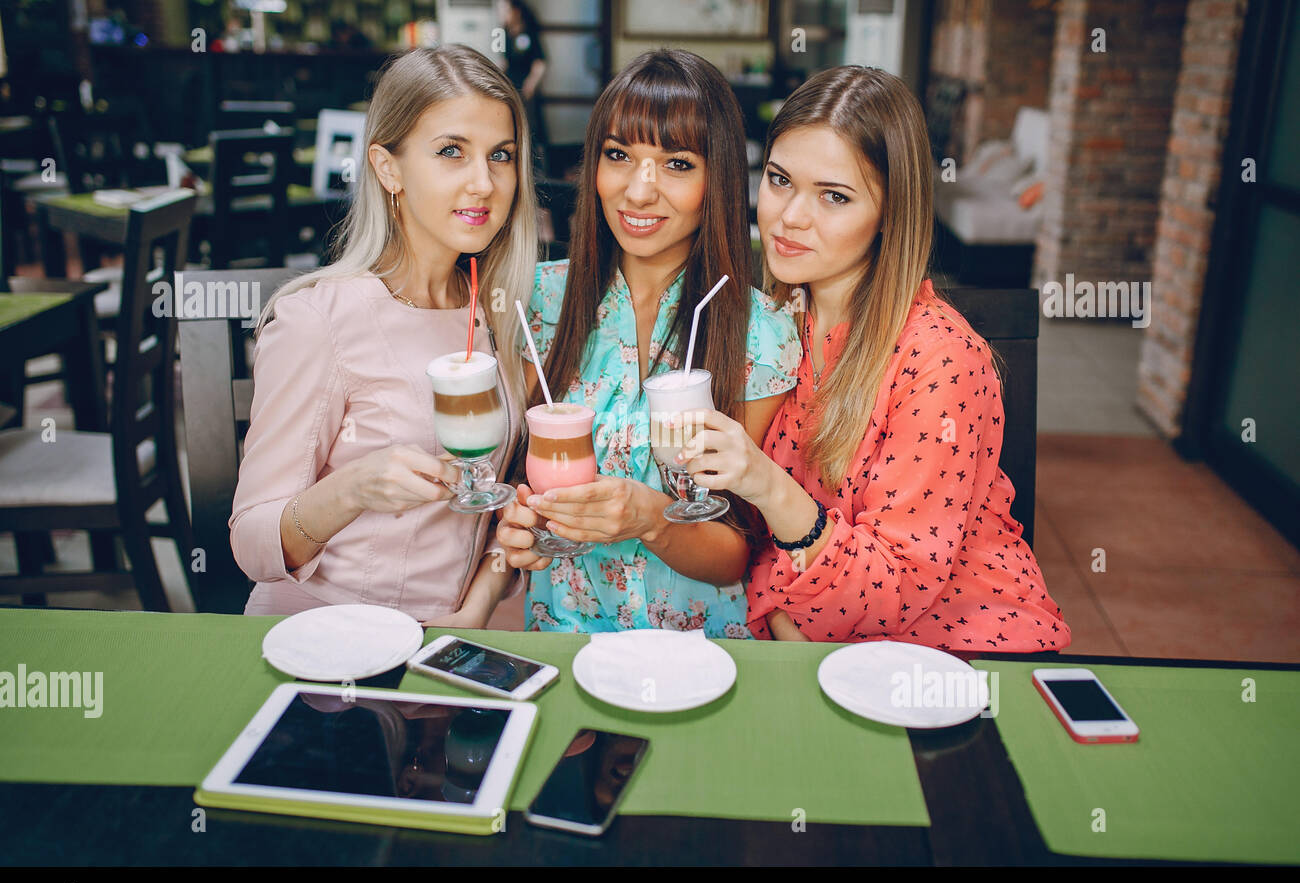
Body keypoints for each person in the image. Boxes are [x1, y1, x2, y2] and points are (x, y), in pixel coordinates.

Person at [675, 66, 1071, 652]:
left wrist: (767, 486)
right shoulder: (775, 328)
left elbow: (893, 589)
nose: (790, 217)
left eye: (834, 196)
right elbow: (745, 542)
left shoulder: (941, 359)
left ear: (891, 212)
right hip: (820, 651)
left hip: (965, 654)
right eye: (780, 181)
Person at [494, 50, 802, 639]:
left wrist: (650, 518)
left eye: (677, 163)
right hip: (565, 644)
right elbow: (517, 489)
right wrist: (517, 530)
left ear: (718, 179)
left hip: (701, 658)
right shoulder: (534, 304)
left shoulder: (760, 333)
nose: (639, 190)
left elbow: (734, 556)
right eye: (619, 156)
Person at [228, 45, 538, 626]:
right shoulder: (318, 321)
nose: (484, 182)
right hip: (325, 642)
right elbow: (251, 545)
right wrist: (350, 490)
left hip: (451, 640)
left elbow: (507, 502)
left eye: (502, 155)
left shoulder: (500, 312)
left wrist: (473, 609)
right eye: (452, 152)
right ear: (387, 166)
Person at [497, 0, 548, 171]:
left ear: (516, 11)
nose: (502, 13)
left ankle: (537, 169)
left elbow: (540, 62)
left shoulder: (528, 32)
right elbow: (501, 61)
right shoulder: (501, 33)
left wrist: (531, 84)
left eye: (505, 9)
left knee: (531, 128)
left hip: (526, 89)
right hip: (509, 86)